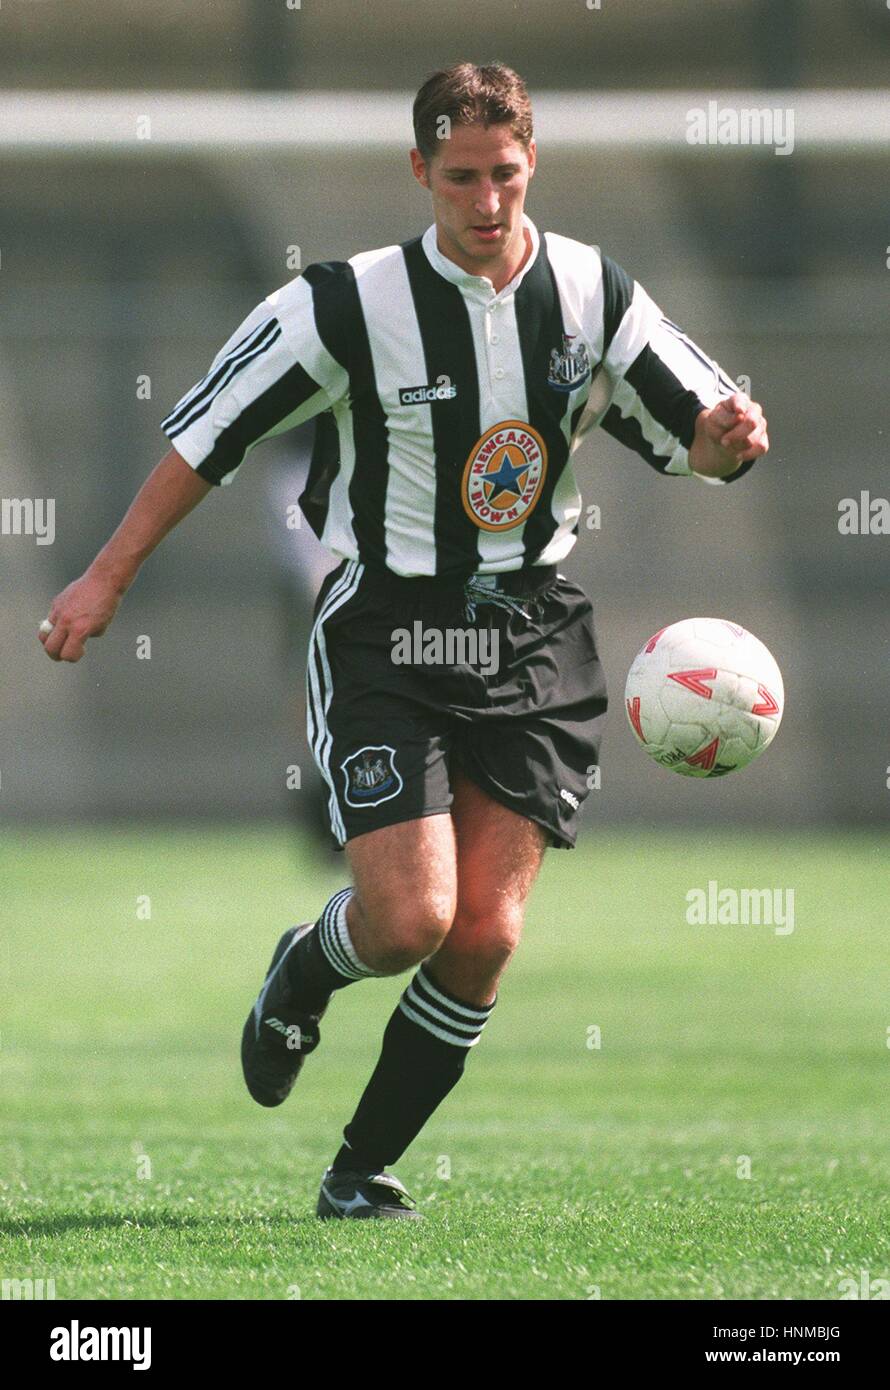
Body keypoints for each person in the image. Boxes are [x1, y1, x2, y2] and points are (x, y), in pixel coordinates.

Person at [39, 62, 769, 1220]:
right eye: (463, 178)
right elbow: (204, 439)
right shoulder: (342, 304)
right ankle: (304, 965)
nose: (487, 202)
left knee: (481, 934)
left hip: (531, 630)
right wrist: (101, 579)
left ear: (533, 165)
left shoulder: (592, 292)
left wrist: (731, 438)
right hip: (388, 624)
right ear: (419, 171)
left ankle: (359, 1169)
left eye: (507, 176)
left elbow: (703, 432)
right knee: (407, 920)